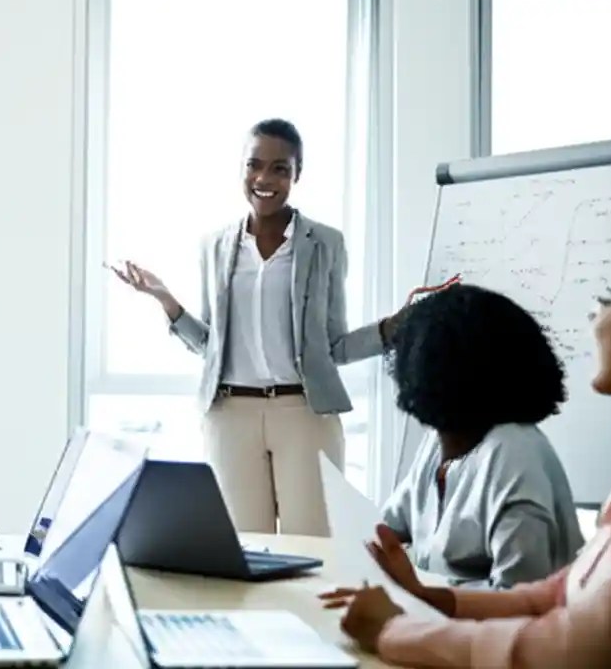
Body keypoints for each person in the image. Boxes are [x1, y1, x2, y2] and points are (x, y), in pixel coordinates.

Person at [320, 218, 611, 667]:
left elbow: (575, 649)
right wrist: (428, 598)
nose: (595, 315)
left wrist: (393, 631)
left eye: (609, 300)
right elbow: (559, 594)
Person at [114, 118, 450, 536]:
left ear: (297, 174)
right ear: (241, 168)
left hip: (303, 412)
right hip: (230, 415)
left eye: (280, 168)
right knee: (244, 547)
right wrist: (166, 299)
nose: (264, 178)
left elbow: (334, 346)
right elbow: (211, 345)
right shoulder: (214, 246)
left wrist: (390, 328)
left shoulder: (325, 243)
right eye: (254, 165)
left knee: (312, 545)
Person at [379, 284, 584, 588]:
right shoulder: (440, 439)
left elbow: (520, 596)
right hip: (432, 612)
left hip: (503, 619)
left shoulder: (515, 455)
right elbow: (389, 527)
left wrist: (420, 593)